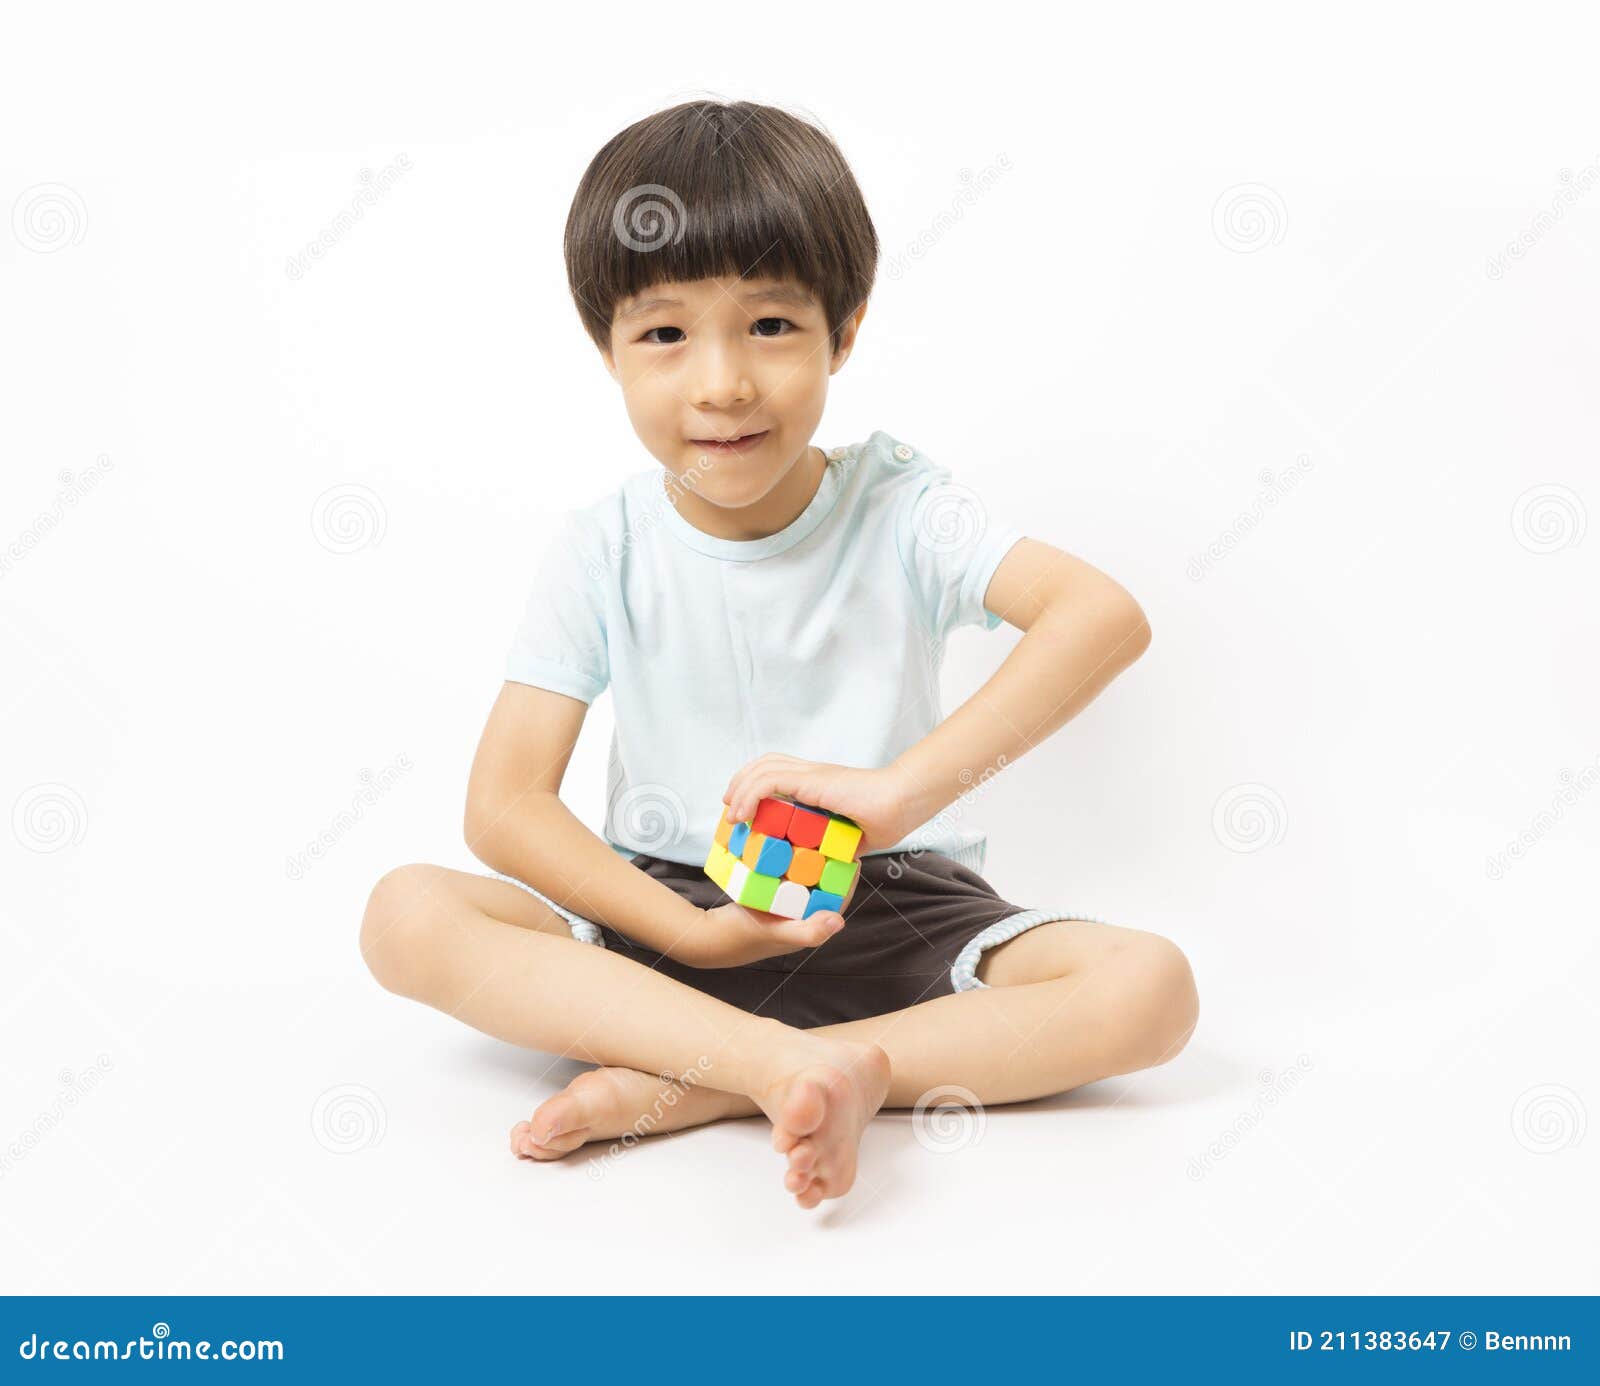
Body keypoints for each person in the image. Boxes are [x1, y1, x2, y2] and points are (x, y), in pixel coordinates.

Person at [360, 100, 1198, 1210]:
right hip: (664, 907)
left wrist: (895, 796)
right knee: (404, 910)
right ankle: (775, 1062)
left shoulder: (902, 509)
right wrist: (691, 934)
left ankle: (717, 1078)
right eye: (664, 334)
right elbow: (505, 804)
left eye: (769, 326)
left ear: (844, 330)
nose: (721, 384)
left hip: (885, 899)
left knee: (1152, 987)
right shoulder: (604, 545)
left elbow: (1099, 615)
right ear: (606, 349)